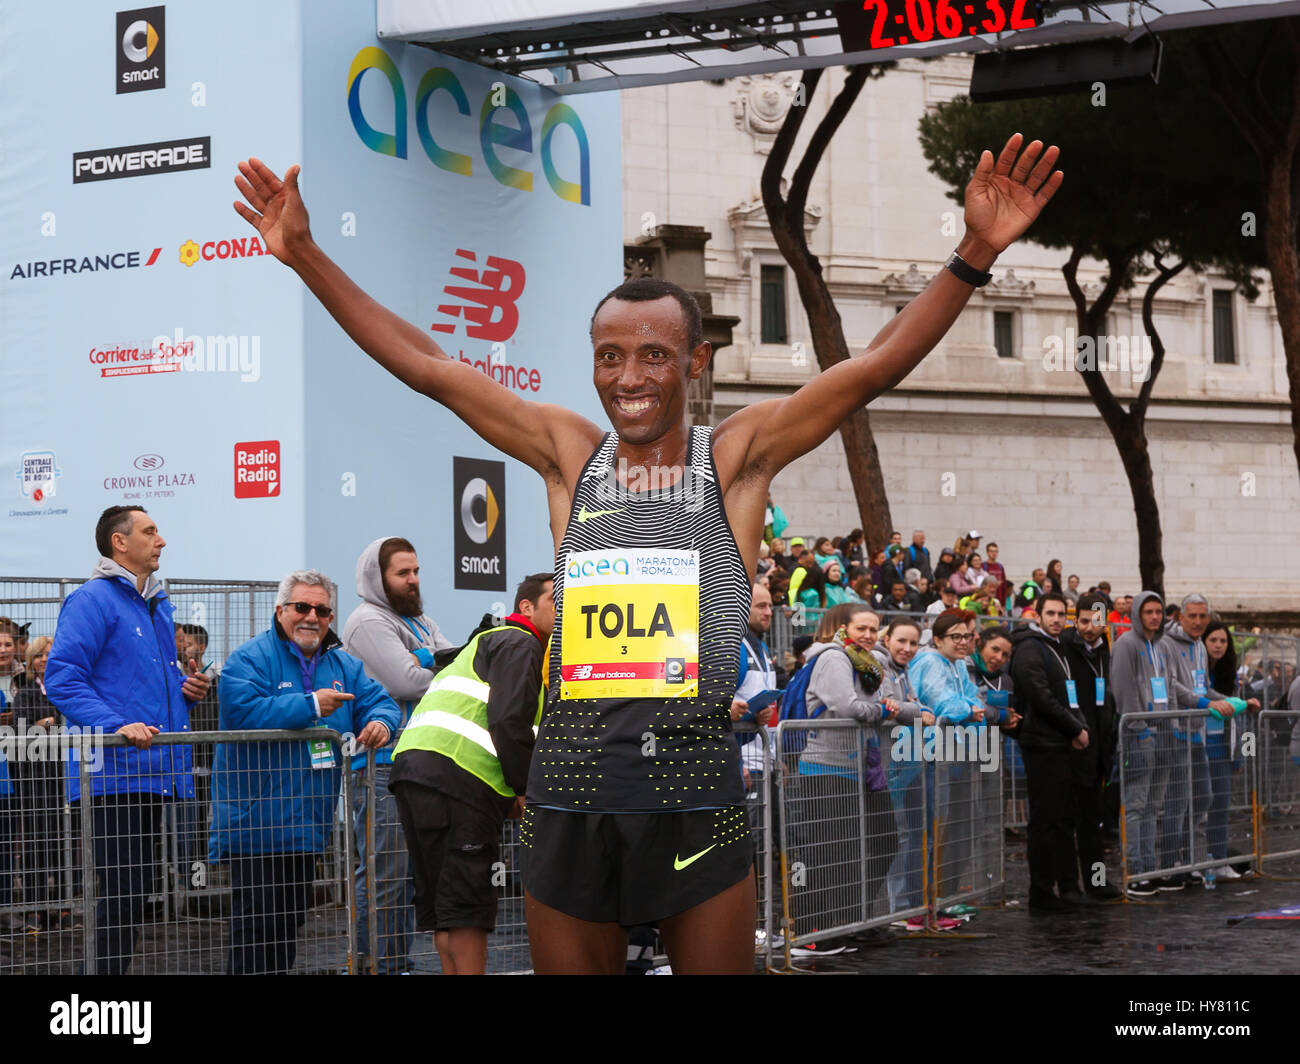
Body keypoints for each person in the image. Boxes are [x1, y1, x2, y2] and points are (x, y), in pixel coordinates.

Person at [232, 133, 1062, 973]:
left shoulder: (735, 460)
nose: (629, 377)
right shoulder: (568, 454)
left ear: (696, 361)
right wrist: (305, 255)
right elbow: (429, 367)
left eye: (654, 355)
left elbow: (873, 367)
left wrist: (975, 253)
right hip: (572, 791)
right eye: (610, 357)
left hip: (692, 790)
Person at [44, 506, 210, 975]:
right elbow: (62, 679)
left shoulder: (156, 604)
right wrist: (117, 725)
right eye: (150, 531)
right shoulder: (92, 600)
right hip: (113, 772)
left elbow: (140, 689)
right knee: (122, 898)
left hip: (148, 769)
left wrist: (186, 695)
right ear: (120, 543)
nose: (161, 540)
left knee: (133, 896)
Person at [211, 569, 399, 975]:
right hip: (256, 827)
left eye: (322, 610)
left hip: (306, 827)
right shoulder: (250, 658)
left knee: (285, 930)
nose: (311, 616)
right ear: (280, 611)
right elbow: (241, 712)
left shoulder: (343, 665)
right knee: (255, 934)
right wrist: (312, 705)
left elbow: (381, 701)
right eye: (302, 607)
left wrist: (382, 724)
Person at [390, 574, 553, 975]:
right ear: (526, 608)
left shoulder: (489, 643)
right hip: (458, 778)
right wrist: (524, 790)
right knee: (467, 908)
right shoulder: (520, 641)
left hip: (417, 771)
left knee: (445, 910)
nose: (564, 606)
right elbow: (508, 720)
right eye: (556, 598)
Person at [342, 536, 456, 974]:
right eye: (402, 573)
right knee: (384, 879)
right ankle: (382, 967)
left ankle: (392, 965)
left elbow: (458, 663)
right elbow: (410, 682)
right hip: (379, 768)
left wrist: (425, 657)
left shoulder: (420, 619)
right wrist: (429, 658)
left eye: (416, 571)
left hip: (417, 764)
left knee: (402, 878)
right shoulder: (367, 622)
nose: (413, 580)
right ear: (378, 579)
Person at [796, 607, 917, 938]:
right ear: (843, 628)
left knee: (882, 841)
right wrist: (882, 711)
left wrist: (887, 709)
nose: (868, 635)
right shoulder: (833, 658)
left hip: (862, 769)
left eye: (874, 629)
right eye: (861, 628)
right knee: (828, 853)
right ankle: (812, 931)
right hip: (827, 767)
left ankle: (853, 919)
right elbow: (849, 707)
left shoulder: (868, 662)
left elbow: (903, 706)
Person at [905, 610, 1012, 904]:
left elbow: (970, 700)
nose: (963, 641)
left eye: (967, 635)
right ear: (937, 639)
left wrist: (972, 711)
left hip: (954, 752)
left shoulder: (957, 665)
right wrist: (971, 711)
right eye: (956, 636)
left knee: (958, 826)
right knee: (930, 830)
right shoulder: (930, 661)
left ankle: (942, 897)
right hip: (927, 754)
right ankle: (920, 902)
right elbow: (946, 703)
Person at [1161, 594, 1254, 886]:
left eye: (1203, 616)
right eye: (1193, 616)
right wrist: (1206, 704)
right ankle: (1170, 862)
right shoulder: (1166, 644)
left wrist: (1234, 704)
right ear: (1181, 617)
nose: (1199, 622)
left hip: (1202, 739)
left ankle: (1192, 860)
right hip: (1179, 734)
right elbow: (1179, 689)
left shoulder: (1203, 653)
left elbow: (1206, 693)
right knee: (1178, 803)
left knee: (1207, 800)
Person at [1010, 593, 1091, 911]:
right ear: (1038, 616)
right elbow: (1041, 697)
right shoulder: (1031, 648)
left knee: (1063, 819)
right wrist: (1075, 728)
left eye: (1062, 614)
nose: (1057, 619)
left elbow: (1068, 696)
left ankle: (1069, 887)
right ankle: (1042, 892)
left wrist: (1077, 726)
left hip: (1060, 742)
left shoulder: (1058, 648)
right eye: (1051, 614)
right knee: (1046, 822)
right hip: (1042, 744)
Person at [1110, 591, 1179, 897]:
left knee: (1154, 805)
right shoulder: (1126, 645)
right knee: (1136, 805)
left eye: (1158, 611)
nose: (1154, 616)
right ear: (1137, 613)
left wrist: (1173, 723)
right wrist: (1139, 729)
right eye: (1148, 611)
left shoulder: (1162, 645)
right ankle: (1135, 870)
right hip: (1139, 734)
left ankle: (1150, 868)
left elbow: (1171, 684)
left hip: (1163, 730)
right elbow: (1124, 690)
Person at [1059, 593, 1122, 900]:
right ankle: (1069, 886)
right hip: (1071, 745)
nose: (1089, 628)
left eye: (1096, 621)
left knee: (1092, 824)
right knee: (1066, 821)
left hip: (1098, 748)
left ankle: (1096, 882)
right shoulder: (1066, 648)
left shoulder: (1104, 650)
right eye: (1083, 621)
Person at [12, 635, 65, 930]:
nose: (44, 660)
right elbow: (20, 730)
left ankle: (59, 905)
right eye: (38, 655)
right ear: (31, 661)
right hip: (34, 776)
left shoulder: (61, 688)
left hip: (60, 772)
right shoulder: (26, 692)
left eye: (48, 654)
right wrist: (43, 725)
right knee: (36, 840)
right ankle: (35, 905)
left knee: (60, 839)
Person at [1203, 621, 1246, 879]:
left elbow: (1242, 723)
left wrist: (1242, 754)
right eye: (1213, 640)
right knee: (1195, 809)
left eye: (1223, 641)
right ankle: (1191, 861)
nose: (1218, 646)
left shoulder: (1232, 677)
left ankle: (1218, 859)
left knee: (1220, 807)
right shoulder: (1195, 671)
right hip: (1198, 746)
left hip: (1222, 749)